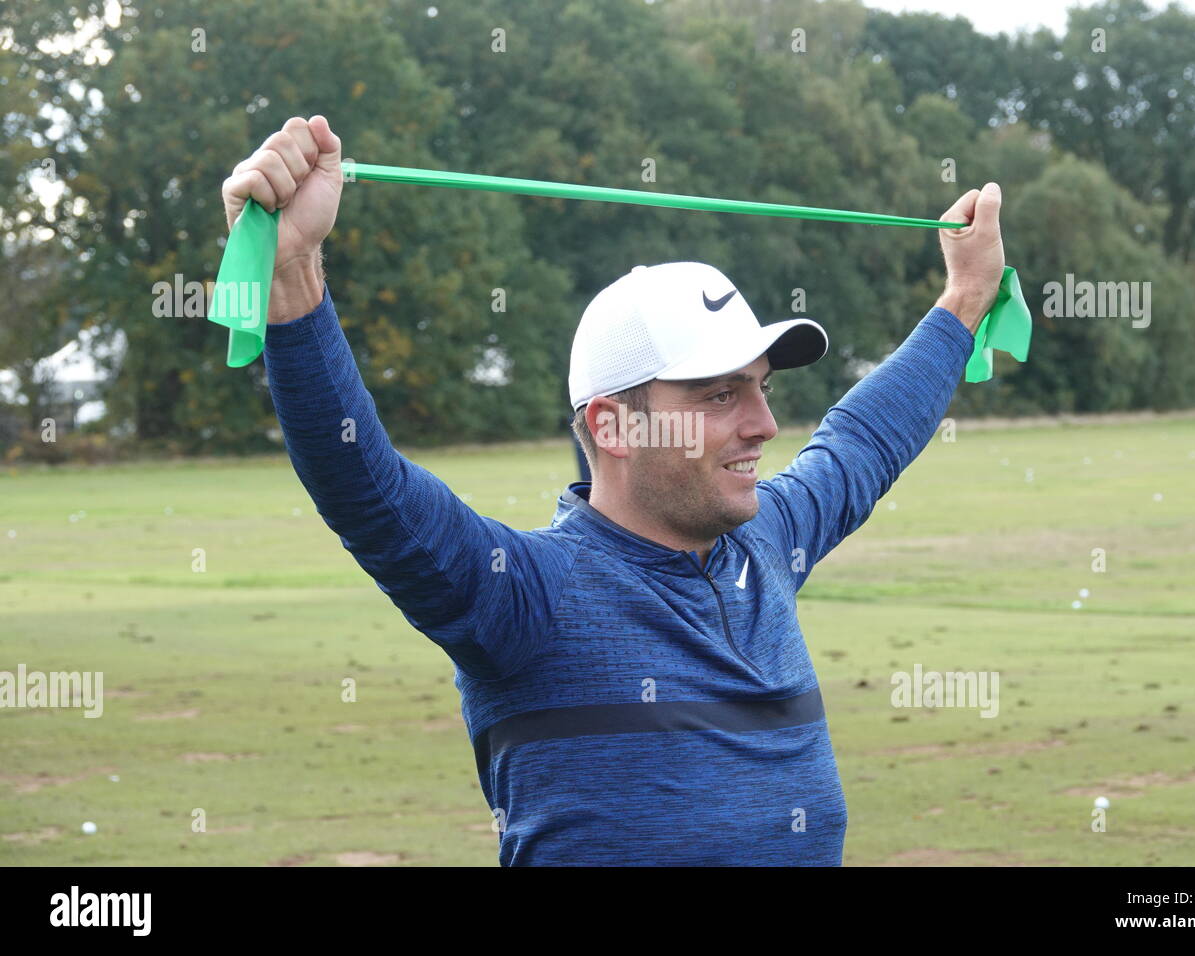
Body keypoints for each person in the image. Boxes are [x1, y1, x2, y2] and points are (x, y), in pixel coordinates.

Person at [222, 115, 1005, 866]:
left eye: (762, 389)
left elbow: (860, 442)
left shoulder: (767, 540)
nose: (766, 425)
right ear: (613, 426)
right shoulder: (523, 595)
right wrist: (291, 272)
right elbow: (364, 485)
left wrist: (966, 297)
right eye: (719, 396)